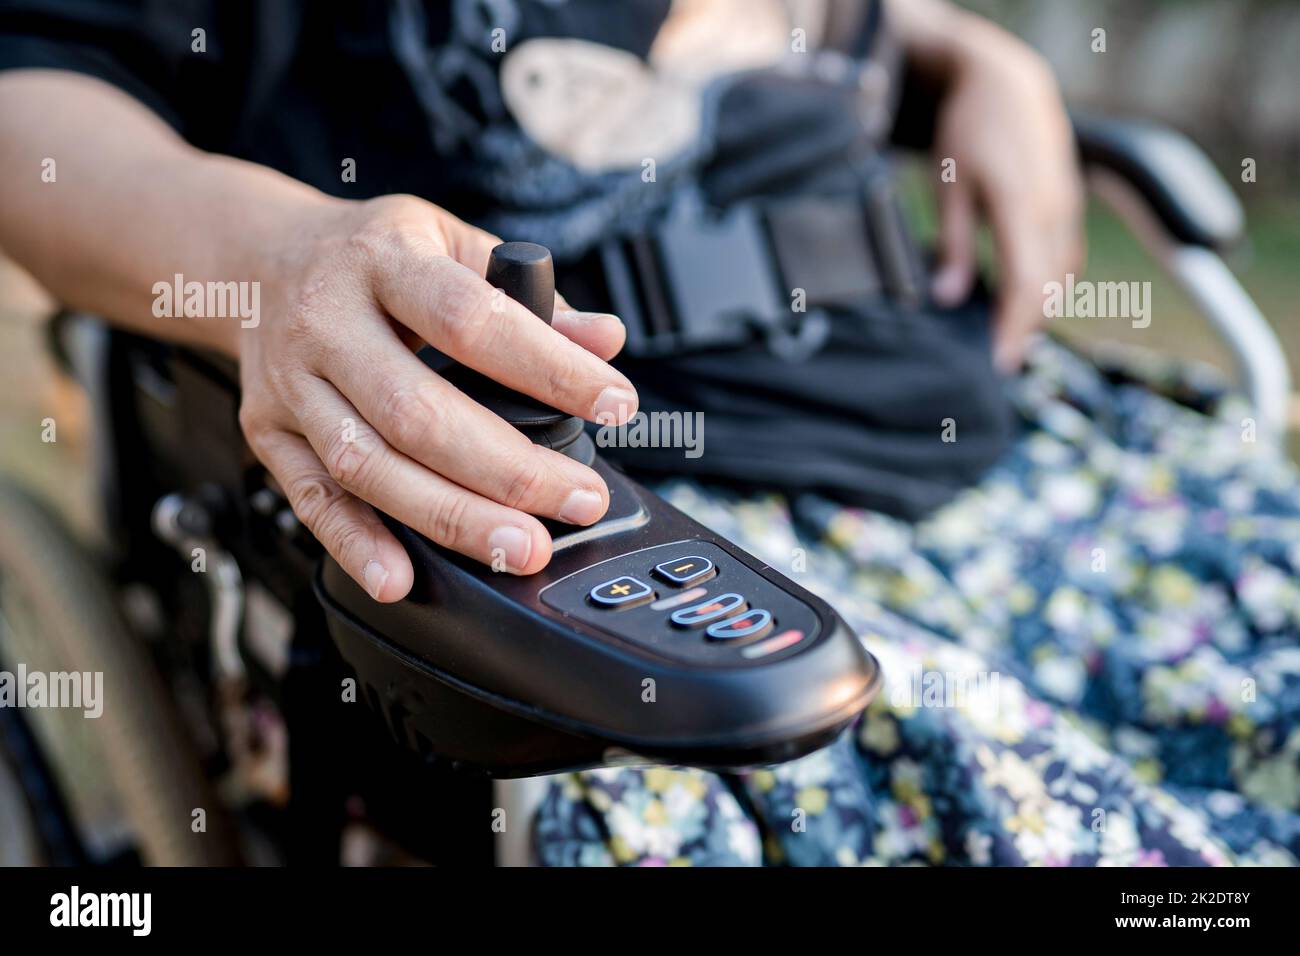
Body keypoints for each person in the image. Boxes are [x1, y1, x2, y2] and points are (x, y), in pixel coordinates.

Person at [1, 0, 1296, 866]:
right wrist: (274, 259)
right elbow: (34, 88)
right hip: (624, 509)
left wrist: (960, 52)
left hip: (1014, 440)